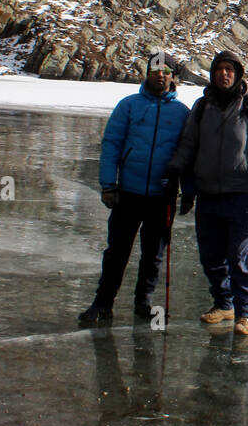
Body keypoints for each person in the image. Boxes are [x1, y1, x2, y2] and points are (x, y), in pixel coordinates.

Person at [165, 51, 248, 336]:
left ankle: (245, 312)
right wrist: (178, 175)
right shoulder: (202, 106)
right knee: (211, 256)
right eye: (219, 69)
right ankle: (224, 304)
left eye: (230, 69)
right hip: (207, 195)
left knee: (239, 257)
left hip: (241, 195)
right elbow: (189, 145)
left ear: (238, 74)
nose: (224, 74)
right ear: (213, 73)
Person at [79, 55, 190, 325]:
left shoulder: (183, 113)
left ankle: (144, 303)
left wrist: (186, 191)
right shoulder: (128, 106)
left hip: (161, 197)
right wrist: (108, 185)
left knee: (153, 254)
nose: (160, 76)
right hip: (128, 193)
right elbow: (111, 145)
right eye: (155, 71)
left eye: (166, 71)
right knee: (117, 251)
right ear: (147, 73)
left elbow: (188, 155)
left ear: (173, 76)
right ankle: (103, 303)